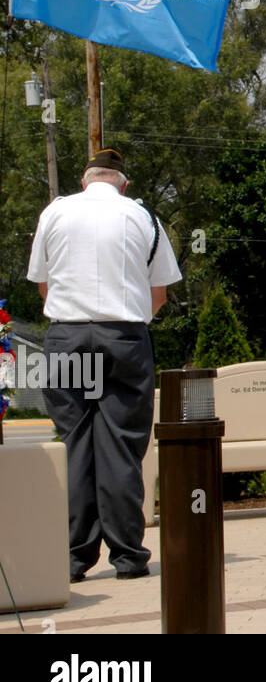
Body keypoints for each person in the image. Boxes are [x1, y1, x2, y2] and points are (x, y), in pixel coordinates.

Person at [26, 147, 182, 582]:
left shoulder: (54, 214)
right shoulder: (143, 218)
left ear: (84, 180)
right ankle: (128, 556)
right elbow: (160, 294)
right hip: (124, 338)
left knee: (75, 442)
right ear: (124, 183)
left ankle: (74, 559)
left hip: (68, 335)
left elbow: (43, 283)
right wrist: (126, 325)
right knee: (121, 444)